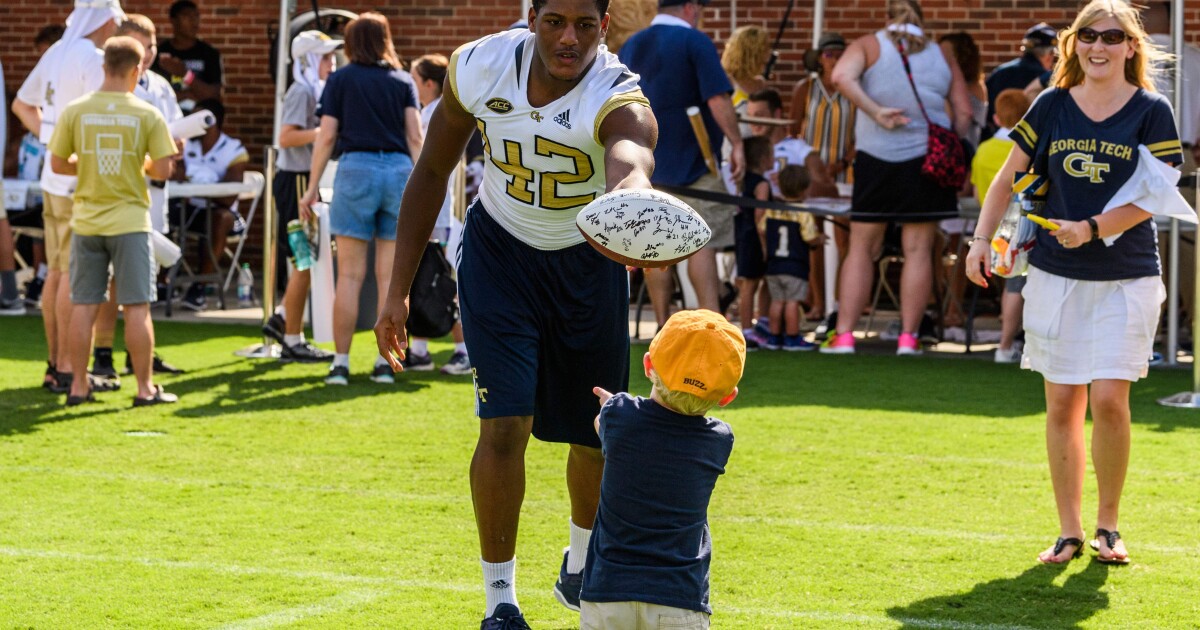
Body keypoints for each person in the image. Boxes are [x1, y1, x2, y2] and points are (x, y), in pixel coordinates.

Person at [371, 0, 656, 624]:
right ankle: (500, 602)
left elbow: (632, 151)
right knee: (504, 423)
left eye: (585, 24)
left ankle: (580, 564)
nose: (569, 38)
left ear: (604, 27)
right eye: (555, 20)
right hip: (500, 254)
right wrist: (397, 290)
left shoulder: (617, 90)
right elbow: (433, 169)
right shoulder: (479, 64)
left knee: (597, 432)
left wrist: (632, 198)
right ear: (532, 17)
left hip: (585, 260)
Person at [965, 0, 1181, 565]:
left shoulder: (1152, 110)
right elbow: (1005, 181)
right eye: (1089, 36)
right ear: (1074, 44)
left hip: (1126, 276)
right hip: (1056, 277)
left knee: (1109, 400)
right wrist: (980, 241)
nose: (1099, 47)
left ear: (1131, 47)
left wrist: (1092, 228)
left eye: (1113, 37)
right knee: (1062, 403)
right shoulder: (1052, 104)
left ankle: (1109, 525)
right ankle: (1069, 531)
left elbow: (1154, 194)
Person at [823, 0, 971, 356]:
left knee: (862, 247)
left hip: (876, 160)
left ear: (887, 16)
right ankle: (909, 338)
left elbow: (841, 76)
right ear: (922, 18)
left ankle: (844, 336)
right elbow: (964, 111)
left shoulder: (869, 45)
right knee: (918, 250)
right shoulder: (941, 53)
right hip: (928, 163)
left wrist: (875, 112)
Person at [579, 309, 741, 630]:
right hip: (679, 597)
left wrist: (613, 408)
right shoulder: (719, 439)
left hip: (608, 592)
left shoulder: (619, 414)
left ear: (649, 365)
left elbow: (606, 425)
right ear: (727, 397)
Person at [48, 36, 178, 407]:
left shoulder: (77, 109)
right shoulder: (147, 113)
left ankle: (77, 387)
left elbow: (57, 164)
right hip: (130, 221)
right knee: (136, 307)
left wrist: (86, 164)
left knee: (84, 305)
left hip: (86, 221)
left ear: (104, 67)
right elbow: (165, 169)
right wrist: (141, 163)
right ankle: (144, 389)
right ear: (138, 70)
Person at [298, 12, 422, 386]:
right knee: (392, 281)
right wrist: (426, 189)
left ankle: (340, 363)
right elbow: (415, 137)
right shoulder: (402, 81)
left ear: (351, 43)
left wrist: (310, 186)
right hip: (399, 172)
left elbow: (326, 136)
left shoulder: (339, 79)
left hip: (354, 169)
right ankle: (386, 364)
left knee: (349, 276)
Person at [13, 0, 124, 394]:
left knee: (56, 273)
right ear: (107, 18)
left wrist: (50, 142)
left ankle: (55, 364)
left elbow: (22, 104)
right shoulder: (93, 58)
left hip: (54, 178)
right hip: (81, 181)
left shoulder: (58, 51)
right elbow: (109, 117)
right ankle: (67, 368)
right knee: (76, 279)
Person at [619, 0, 744, 328]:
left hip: (644, 161)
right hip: (695, 160)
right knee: (703, 242)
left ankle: (662, 324)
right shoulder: (696, 41)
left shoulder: (632, 43)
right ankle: (712, 322)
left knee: (653, 246)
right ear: (690, 7)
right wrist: (738, 143)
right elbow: (718, 99)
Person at [86, 13, 188, 384]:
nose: (146, 53)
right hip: (122, 196)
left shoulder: (161, 86)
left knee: (144, 280)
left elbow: (176, 132)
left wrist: (177, 145)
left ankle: (137, 357)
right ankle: (101, 354)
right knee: (111, 281)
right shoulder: (108, 88)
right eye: (139, 46)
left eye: (151, 45)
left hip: (155, 195)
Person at [259, 30, 339, 364]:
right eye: (324, 56)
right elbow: (286, 136)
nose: (331, 63)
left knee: (309, 261)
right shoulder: (301, 90)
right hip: (295, 180)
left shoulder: (316, 88)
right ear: (307, 59)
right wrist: (327, 131)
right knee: (303, 261)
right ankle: (291, 337)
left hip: (308, 180)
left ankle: (283, 320)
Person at [405, 52, 471, 376]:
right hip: (435, 212)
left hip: (440, 213)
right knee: (422, 280)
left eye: (415, 80)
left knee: (441, 282)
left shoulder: (434, 115)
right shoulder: (429, 112)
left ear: (430, 84)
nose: (412, 86)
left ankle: (462, 350)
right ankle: (419, 350)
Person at [969, 88, 1031, 363]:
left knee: (1011, 287)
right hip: (1019, 228)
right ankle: (1005, 346)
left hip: (989, 228)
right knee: (1016, 287)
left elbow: (974, 193)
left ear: (995, 117)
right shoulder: (1025, 149)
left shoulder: (983, 149)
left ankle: (1008, 344)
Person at [172, 98, 248, 311]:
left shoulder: (234, 150)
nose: (190, 123)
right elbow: (174, 174)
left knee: (220, 219)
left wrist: (196, 181)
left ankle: (199, 287)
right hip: (191, 210)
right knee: (163, 213)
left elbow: (229, 197)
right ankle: (162, 282)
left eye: (196, 118)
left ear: (210, 121)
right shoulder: (185, 146)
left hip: (220, 215)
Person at [763, 165, 822, 351]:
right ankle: (792, 336)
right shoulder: (803, 212)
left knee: (777, 301)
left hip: (774, 264)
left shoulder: (772, 208)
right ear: (805, 188)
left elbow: (761, 228)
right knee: (792, 302)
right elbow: (810, 238)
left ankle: (773, 337)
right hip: (795, 265)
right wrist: (819, 239)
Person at [984, 23, 1058, 141]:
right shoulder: (1047, 81)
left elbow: (986, 116)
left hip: (996, 143)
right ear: (1049, 55)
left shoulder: (999, 73)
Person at [733, 136, 772, 349]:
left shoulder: (742, 179)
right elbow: (761, 214)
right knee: (750, 284)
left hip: (742, 234)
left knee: (761, 281)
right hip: (755, 238)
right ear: (764, 159)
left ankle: (761, 322)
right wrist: (765, 243)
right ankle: (746, 330)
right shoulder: (762, 184)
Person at [152, 0, 222, 107]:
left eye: (196, 16)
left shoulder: (209, 53)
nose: (194, 21)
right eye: (187, 16)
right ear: (173, 20)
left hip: (199, 115)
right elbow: (154, 95)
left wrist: (185, 74)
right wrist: (186, 94)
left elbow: (213, 95)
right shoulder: (159, 53)